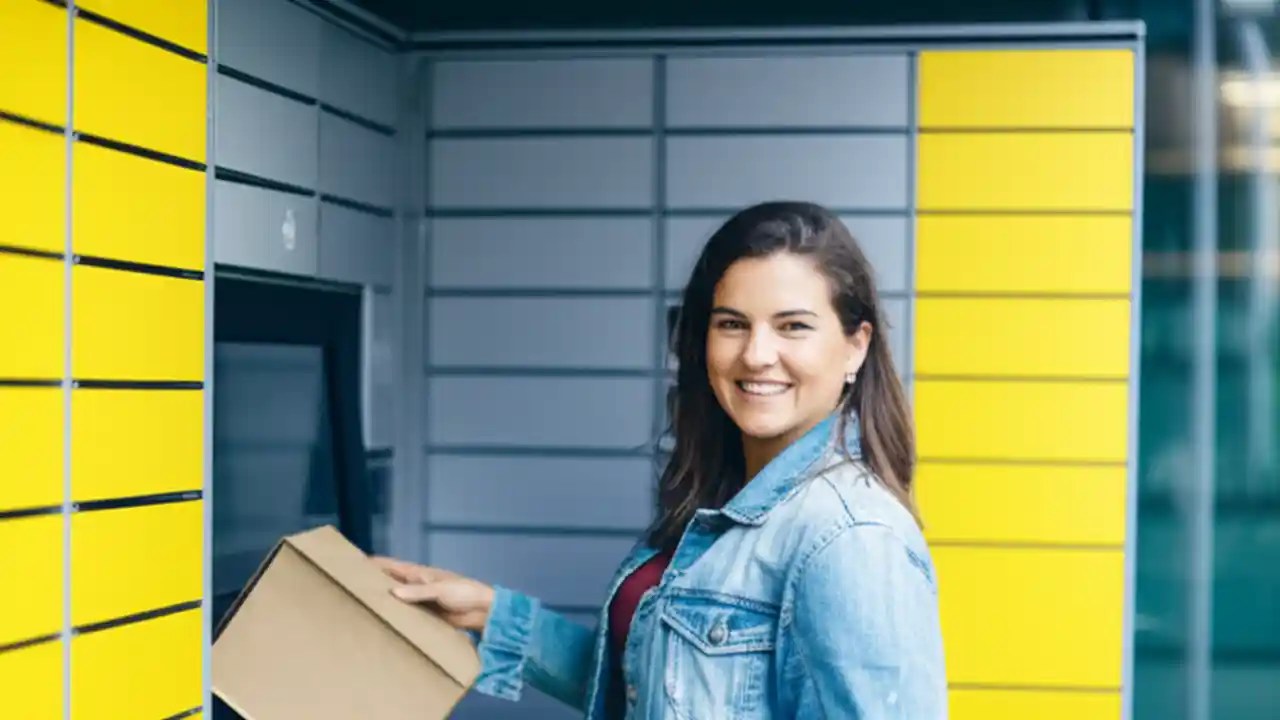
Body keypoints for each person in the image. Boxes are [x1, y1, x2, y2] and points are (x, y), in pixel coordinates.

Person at [374, 201, 947, 718]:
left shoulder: (851, 539)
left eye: (792, 326)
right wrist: (494, 615)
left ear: (856, 344)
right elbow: (660, 683)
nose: (756, 354)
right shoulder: (728, 499)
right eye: (732, 324)